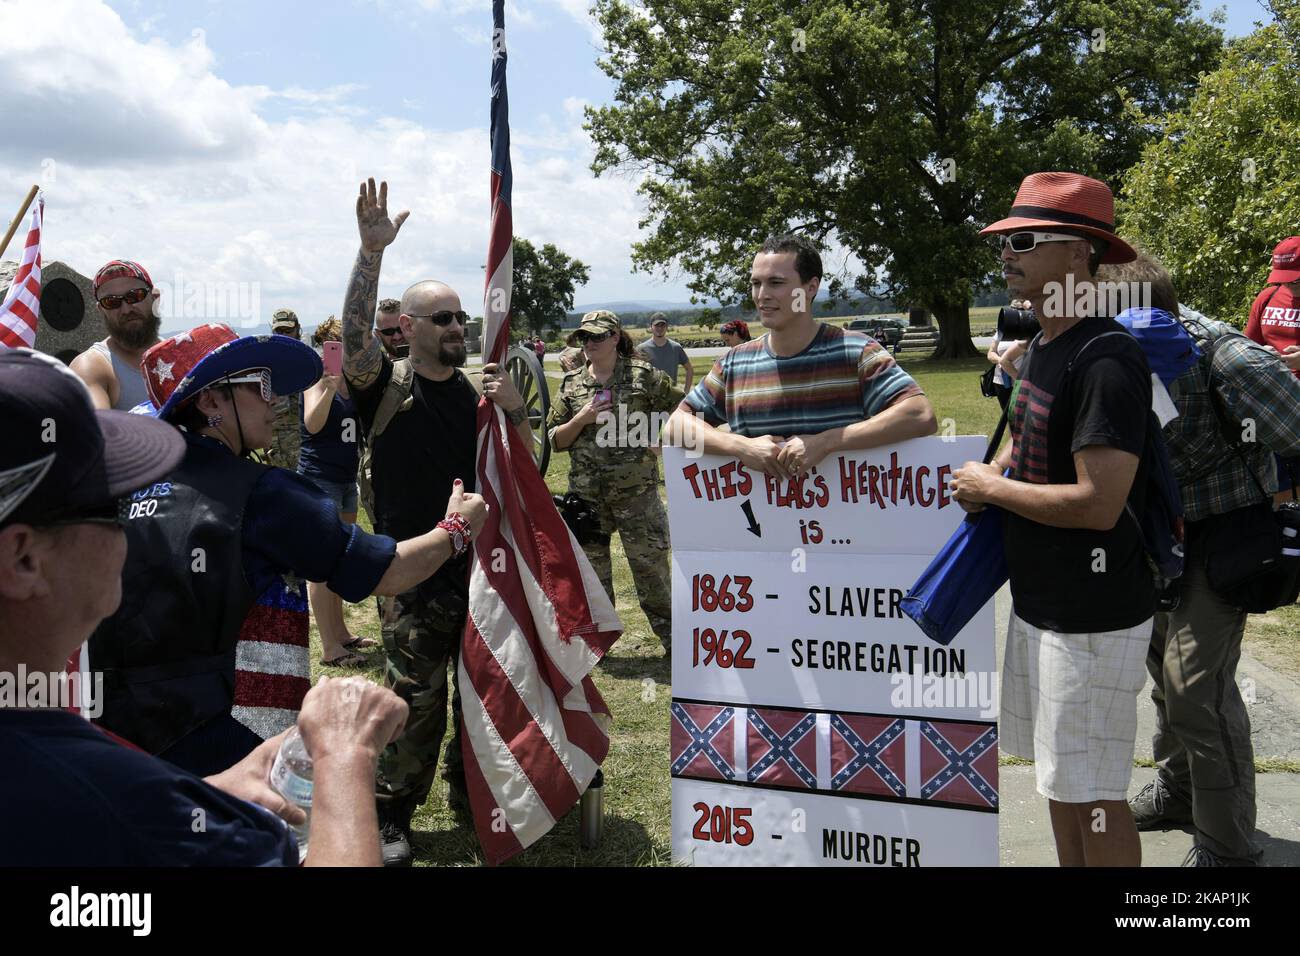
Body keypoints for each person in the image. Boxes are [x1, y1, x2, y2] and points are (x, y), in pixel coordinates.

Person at [0, 348, 410, 866]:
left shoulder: (60, 762)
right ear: (22, 559)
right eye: (107, 507)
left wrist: (211, 790)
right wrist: (344, 755)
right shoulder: (91, 792)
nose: (130, 530)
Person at [87, 321, 488, 782]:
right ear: (210, 401)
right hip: (229, 742)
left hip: (119, 736)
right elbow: (388, 573)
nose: (275, 400)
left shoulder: (123, 485)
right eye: (259, 385)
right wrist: (457, 527)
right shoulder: (263, 493)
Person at [950, 171, 1155, 867]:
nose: (1006, 253)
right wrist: (995, 477)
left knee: (1095, 798)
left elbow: (1099, 503)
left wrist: (994, 489)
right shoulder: (1041, 345)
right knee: (1061, 783)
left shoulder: (1107, 358)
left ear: (1080, 254)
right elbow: (1025, 443)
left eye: (1024, 240)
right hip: (1044, 606)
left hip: (1093, 615)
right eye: (1004, 241)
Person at [339, 178, 532, 865]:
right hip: (415, 569)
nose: (457, 327)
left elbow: (525, 473)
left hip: (484, 572)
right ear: (410, 329)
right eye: (441, 318)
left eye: (460, 317)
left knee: (483, 698)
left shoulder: (485, 394)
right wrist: (371, 254)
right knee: (415, 703)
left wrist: (513, 409)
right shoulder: (385, 385)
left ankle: (472, 799)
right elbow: (355, 335)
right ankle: (391, 811)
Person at [1102, 255, 1300, 866]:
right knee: (1162, 673)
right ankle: (1180, 792)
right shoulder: (1108, 351)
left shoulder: (1232, 361)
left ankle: (1227, 847)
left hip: (1226, 534)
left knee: (1197, 687)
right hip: (1161, 535)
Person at [668, 233, 936, 476]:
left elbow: (919, 415)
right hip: (762, 525)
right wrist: (739, 445)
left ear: (811, 287)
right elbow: (676, 425)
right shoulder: (735, 363)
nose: (762, 295)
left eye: (776, 283)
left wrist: (826, 442)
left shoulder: (856, 351)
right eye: (756, 283)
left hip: (847, 527)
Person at [548, 310, 681, 656]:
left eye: (596, 337)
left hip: (637, 497)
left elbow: (683, 409)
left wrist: (658, 435)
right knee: (592, 579)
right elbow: (555, 440)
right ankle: (596, 648)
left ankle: (677, 644)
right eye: (583, 338)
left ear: (614, 337)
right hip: (588, 500)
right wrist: (582, 417)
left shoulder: (642, 375)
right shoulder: (572, 384)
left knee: (651, 571)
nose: (588, 344)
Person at [300, 316, 373, 668]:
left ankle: (342, 633)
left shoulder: (354, 382)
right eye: (337, 343)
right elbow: (313, 423)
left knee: (339, 557)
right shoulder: (317, 379)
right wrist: (329, 386)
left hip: (346, 481)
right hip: (320, 480)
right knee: (320, 564)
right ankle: (330, 647)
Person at [1244, 237, 1300, 499]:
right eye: (1284, 278)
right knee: (1280, 487)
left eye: (1295, 278)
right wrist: (1261, 355)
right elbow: (1245, 347)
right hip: (1274, 408)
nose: (1289, 284)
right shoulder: (1267, 298)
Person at [70, 259, 161, 411]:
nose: (126, 309)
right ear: (101, 310)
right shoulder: (91, 367)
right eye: (111, 302)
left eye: (135, 296)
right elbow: (98, 428)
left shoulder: (181, 355)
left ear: (155, 298)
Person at [267, 308, 306, 471]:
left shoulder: (308, 361)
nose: (283, 335)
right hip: (275, 443)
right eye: (279, 331)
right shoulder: (264, 362)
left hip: (304, 441)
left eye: (288, 330)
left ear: (298, 329)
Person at [636, 313, 693, 389]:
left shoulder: (676, 348)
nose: (660, 328)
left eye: (662, 325)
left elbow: (689, 369)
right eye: (657, 325)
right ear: (651, 327)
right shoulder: (642, 349)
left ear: (667, 327)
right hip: (648, 398)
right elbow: (634, 373)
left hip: (671, 397)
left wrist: (686, 391)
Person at [986, 321, 1028, 411]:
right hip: (1001, 381)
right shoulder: (1002, 330)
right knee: (1007, 414)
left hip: (1022, 381)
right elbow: (991, 353)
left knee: (1023, 414)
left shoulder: (1028, 330)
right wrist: (1000, 360)